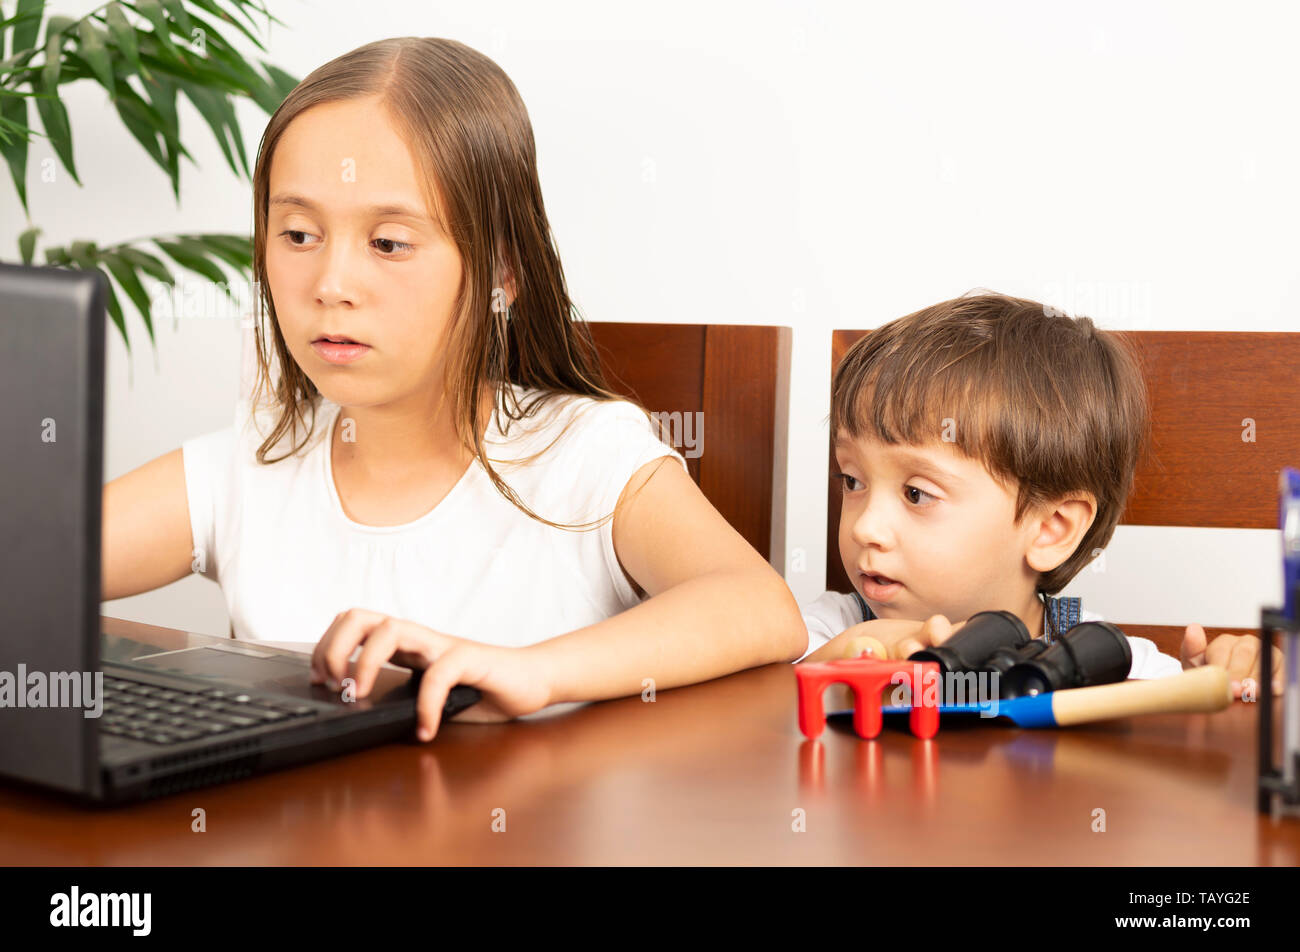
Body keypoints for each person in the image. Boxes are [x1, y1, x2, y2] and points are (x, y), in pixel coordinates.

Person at [101, 38, 804, 741]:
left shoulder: (583, 455)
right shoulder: (255, 458)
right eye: (298, 233)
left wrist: (530, 670)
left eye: (389, 243)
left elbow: (759, 606)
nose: (331, 285)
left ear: (502, 270)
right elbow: (33, 559)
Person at [800, 292, 1283, 699]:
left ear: (1051, 529)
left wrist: (1219, 687)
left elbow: (1174, 747)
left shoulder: (1110, 665)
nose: (864, 526)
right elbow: (772, 714)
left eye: (916, 493)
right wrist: (846, 660)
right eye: (853, 481)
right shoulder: (829, 631)